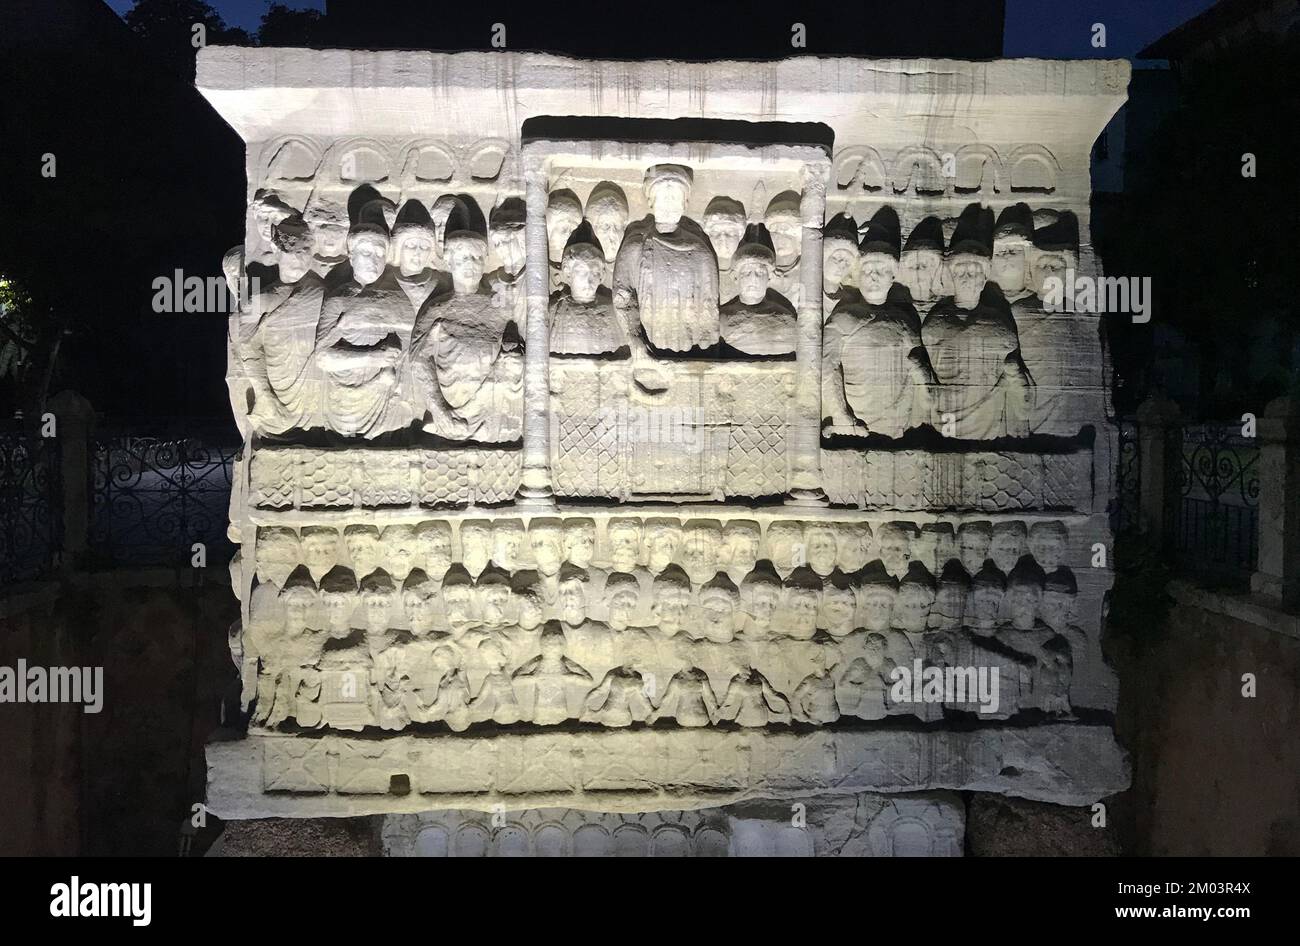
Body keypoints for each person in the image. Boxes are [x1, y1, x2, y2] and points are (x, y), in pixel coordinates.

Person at [612, 164, 720, 352]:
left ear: (685, 203)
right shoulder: (635, 248)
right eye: (663, 197)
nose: (669, 204)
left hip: (692, 352)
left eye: (675, 197)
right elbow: (623, 299)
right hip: (647, 348)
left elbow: (709, 317)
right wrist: (636, 343)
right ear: (652, 201)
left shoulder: (701, 255)